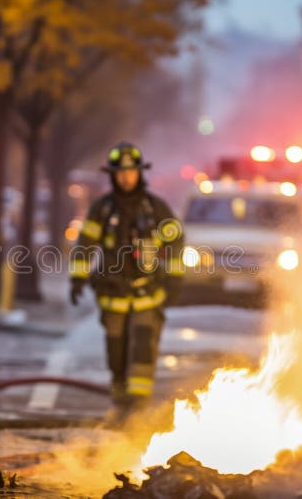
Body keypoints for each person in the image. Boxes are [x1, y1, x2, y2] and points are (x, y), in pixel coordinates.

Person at [69, 142, 185, 422]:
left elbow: (176, 240)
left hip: (148, 292)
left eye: (130, 172)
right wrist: (78, 278)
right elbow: (86, 245)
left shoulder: (155, 208)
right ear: (112, 175)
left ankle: (138, 406)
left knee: (144, 345)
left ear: (139, 173)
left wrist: (175, 276)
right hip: (112, 293)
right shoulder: (103, 209)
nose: (125, 177)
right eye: (119, 172)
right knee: (117, 349)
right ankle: (121, 399)